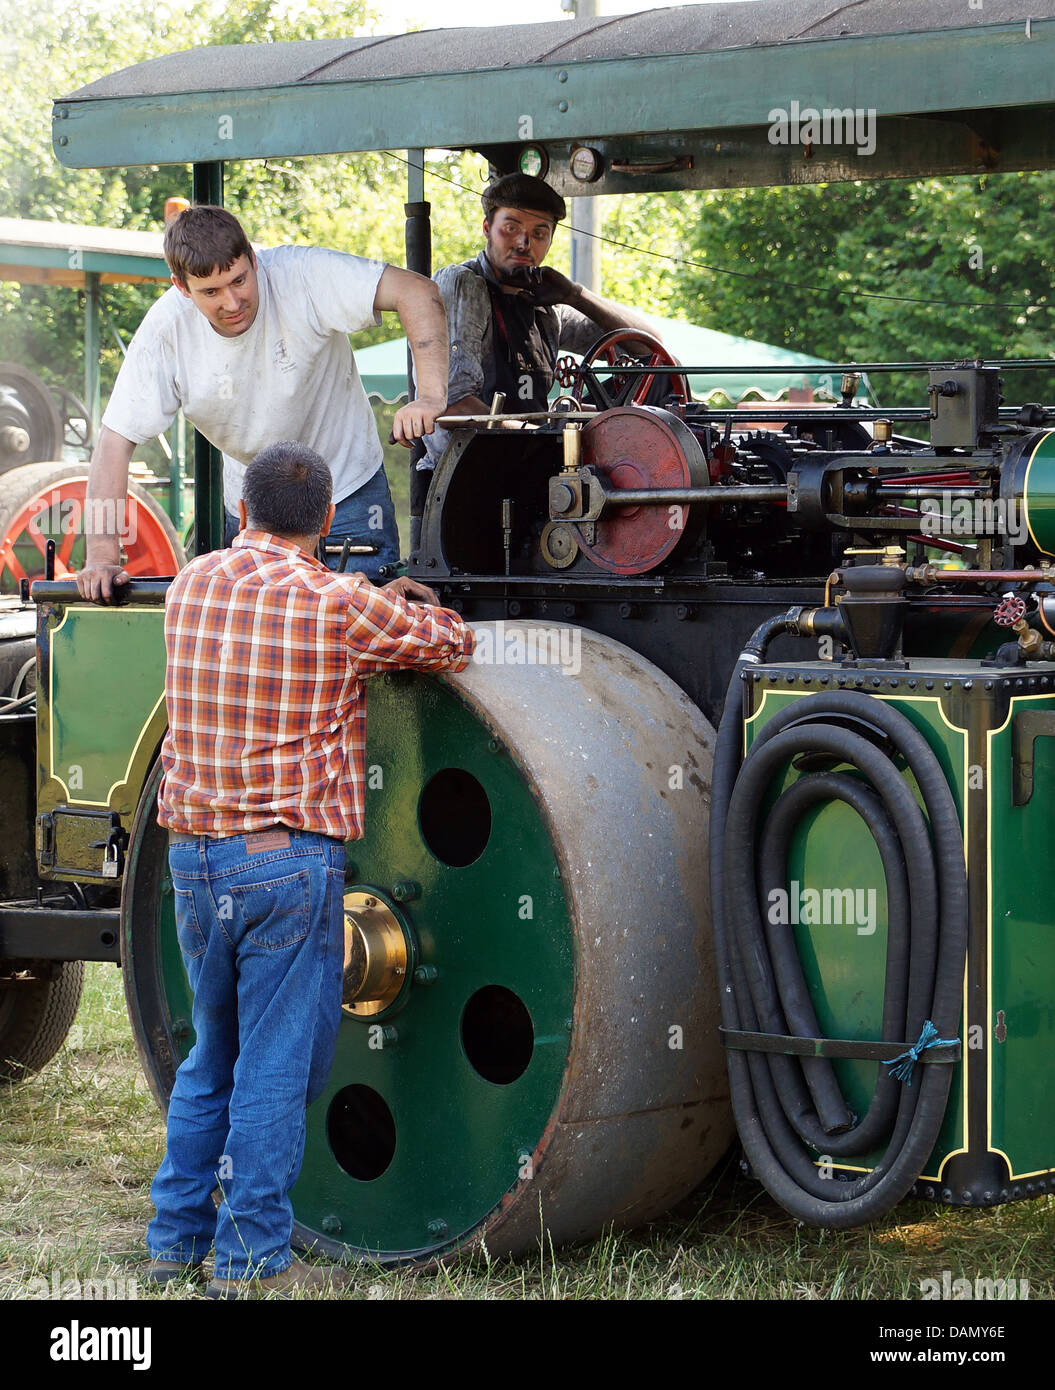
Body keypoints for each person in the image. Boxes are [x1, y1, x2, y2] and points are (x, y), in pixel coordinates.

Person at [146, 440, 475, 1298]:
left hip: (193, 861)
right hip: (283, 862)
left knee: (209, 1054)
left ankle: (173, 1238)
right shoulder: (337, 604)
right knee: (274, 1065)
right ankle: (251, 1256)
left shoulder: (191, 584)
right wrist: (386, 594)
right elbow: (450, 644)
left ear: (240, 513)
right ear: (329, 520)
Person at [77, 204, 449, 600]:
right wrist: (101, 554)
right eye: (211, 292)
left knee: (366, 630)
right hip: (251, 508)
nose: (233, 302)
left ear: (254, 259)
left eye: (239, 280)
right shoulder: (165, 332)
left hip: (347, 489)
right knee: (259, 634)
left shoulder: (302, 274)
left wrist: (428, 396)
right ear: (182, 288)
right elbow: (115, 442)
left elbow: (418, 291)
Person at [418, 172, 659, 487]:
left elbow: (646, 348)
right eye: (511, 227)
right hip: (462, 482)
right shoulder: (462, 284)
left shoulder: (546, 311)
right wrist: (542, 438)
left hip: (527, 473)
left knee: (661, 386)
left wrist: (576, 294)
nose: (523, 242)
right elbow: (454, 400)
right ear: (487, 229)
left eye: (539, 232)